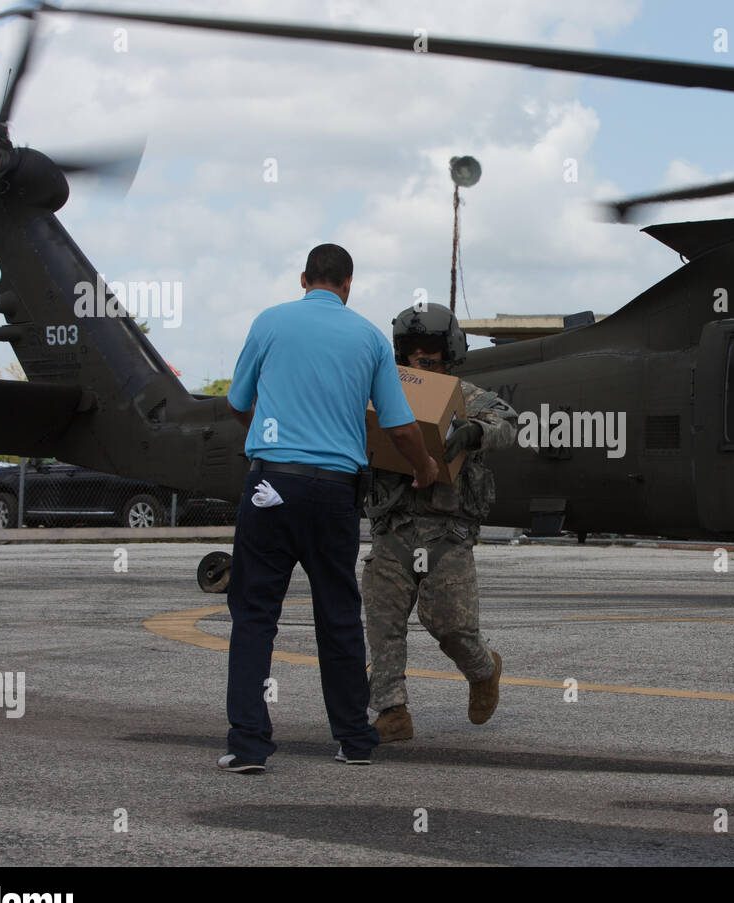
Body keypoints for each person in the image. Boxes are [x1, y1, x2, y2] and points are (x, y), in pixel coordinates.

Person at [218, 244, 438, 773]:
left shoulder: (269, 322)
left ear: (304, 279)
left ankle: (248, 746)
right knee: (338, 616)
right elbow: (399, 424)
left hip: (270, 487)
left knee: (253, 617)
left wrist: (271, 448)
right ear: (348, 283)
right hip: (335, 492)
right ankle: (353, 741)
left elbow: (237, 402)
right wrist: (424, 467)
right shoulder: (367, 337)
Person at [362, 302, 518, 740]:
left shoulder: (466, 396)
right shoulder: (384, 393)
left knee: (452, 627)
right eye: (412, 349)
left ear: (448, 350)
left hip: (446, 534)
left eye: (430, 347)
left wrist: (475, 431)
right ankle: (392, 711)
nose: (421, 357)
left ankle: (483, 670)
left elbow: (509, 423)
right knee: (383, 625)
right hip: (393, 529)